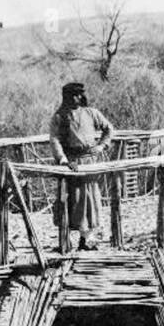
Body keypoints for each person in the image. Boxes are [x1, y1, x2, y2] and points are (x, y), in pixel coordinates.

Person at [49, 82, 114, 250]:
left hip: (90, 162)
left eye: (78, 95)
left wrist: (102, 146)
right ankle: (76, 238)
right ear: (66, 97)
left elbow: (109, 129)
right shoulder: (60, 117)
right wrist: (63, 159)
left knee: (92, 198)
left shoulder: (91, 113)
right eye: (72, 95)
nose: (75, 98)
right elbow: (55, 139)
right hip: (72, 163)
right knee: (75, 200)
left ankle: (88, 239)